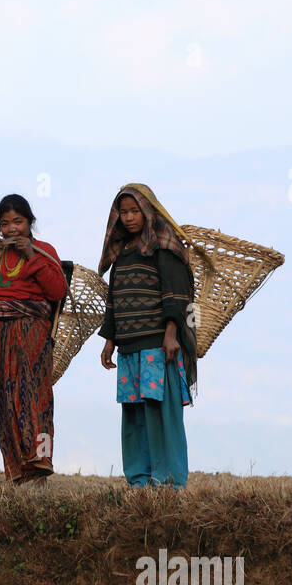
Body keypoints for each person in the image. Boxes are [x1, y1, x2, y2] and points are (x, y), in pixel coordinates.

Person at [97, 183, 198, 489]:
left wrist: (171, 335)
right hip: (129, 348)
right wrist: (109, 341)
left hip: (158, 345)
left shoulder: (163, 249)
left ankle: (168, 479)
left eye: (134, 211)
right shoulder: (122, 254)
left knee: (160, 414)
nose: (128, 218)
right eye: (123, 212)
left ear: (148, 211)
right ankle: (139, 479)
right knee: (134, 415)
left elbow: (176, 297)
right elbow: (113, 300)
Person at [0, 194, 67, 484]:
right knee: (3, 400)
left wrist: (31, 258)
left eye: (18, 222)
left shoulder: (44, 252)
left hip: (32, 333)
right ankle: (17, 472)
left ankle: (41, 462)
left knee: (36, 397)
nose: (12, 229)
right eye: (5, 223)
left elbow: (57, 291)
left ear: (30, 222)